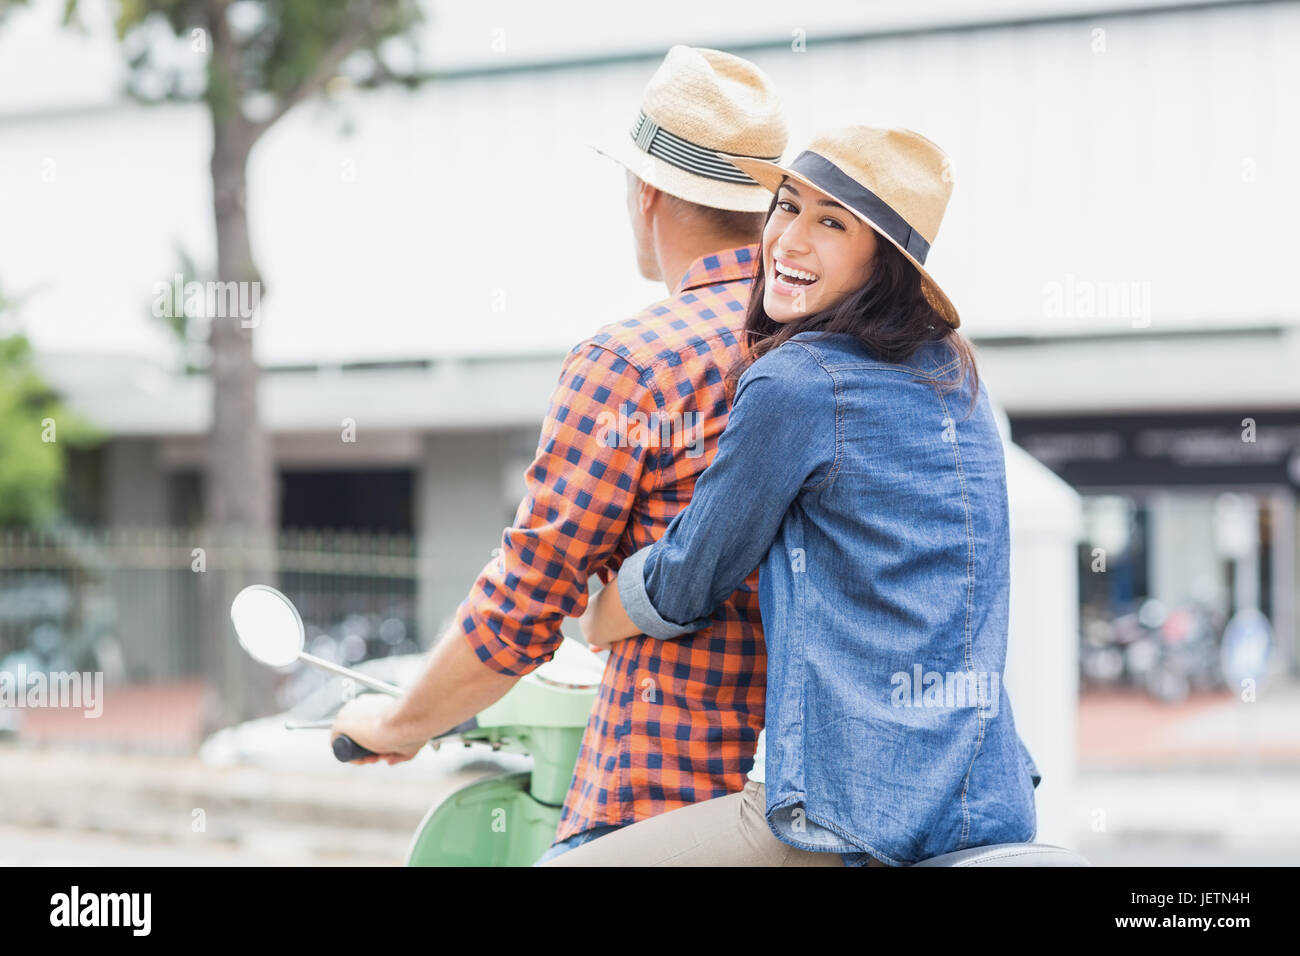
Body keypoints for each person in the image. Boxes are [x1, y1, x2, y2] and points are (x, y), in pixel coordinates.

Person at [328, 46, 790, 862]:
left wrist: (399, 722)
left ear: (646, 193)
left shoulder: (633, 362)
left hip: (664, 798)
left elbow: (524, 603)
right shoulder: (843, 352)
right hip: (822, 793)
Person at [542, 125, 1043, 867]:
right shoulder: (954, 377)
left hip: (850, 810)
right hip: (985, 793)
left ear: (886, 263)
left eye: (831, 222)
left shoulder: (797, 382)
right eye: (786, 206)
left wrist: (605, 610)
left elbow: (692, 574)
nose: (790, 239)